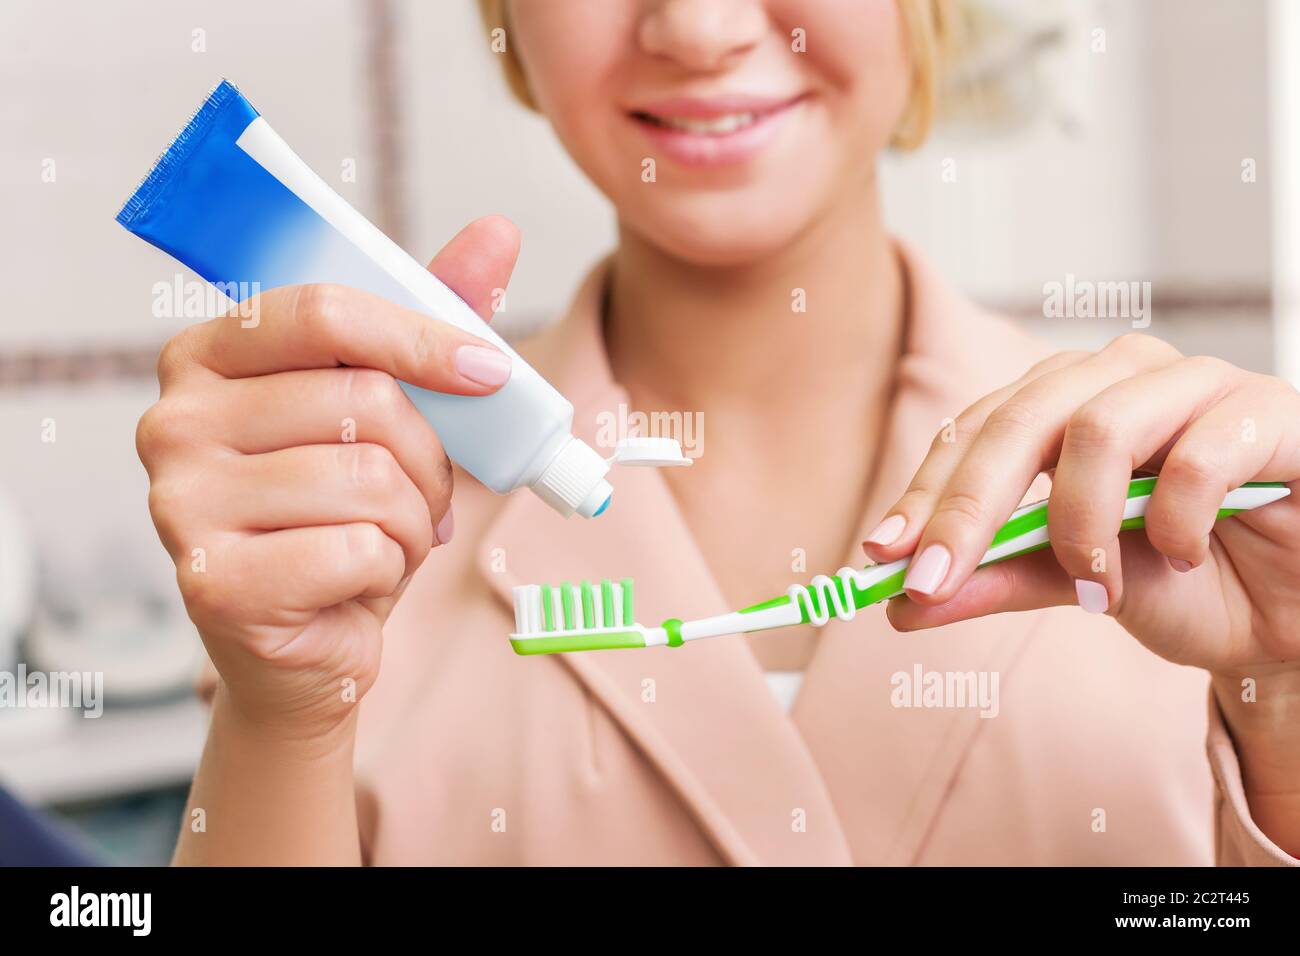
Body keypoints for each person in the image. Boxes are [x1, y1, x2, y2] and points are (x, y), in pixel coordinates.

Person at [136, 0, 1300, 864]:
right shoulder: (341, 542)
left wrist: (1286, 699)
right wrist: (283, 712)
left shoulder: (1204, 510)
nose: (694, 27)